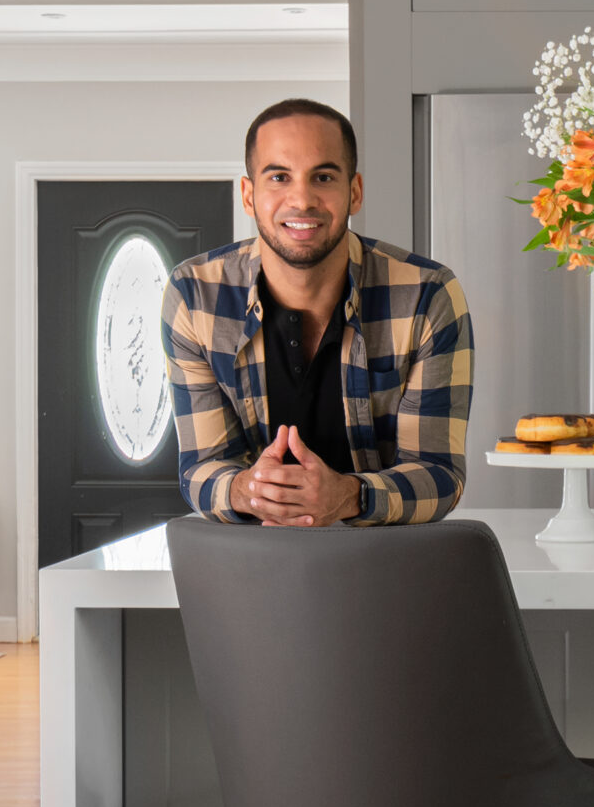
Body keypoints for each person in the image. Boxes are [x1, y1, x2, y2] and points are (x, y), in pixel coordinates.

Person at [161, 99, 473, 526]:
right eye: (279, 177)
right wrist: (253, 491)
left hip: (387, 566)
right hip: (251, 565)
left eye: (323, 177)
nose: (302, 199)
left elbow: (440, 475)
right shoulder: (195, 295)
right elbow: (201, 468)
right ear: (249, 196)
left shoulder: (427, 295)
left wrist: (349, 496)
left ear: (355, 192)